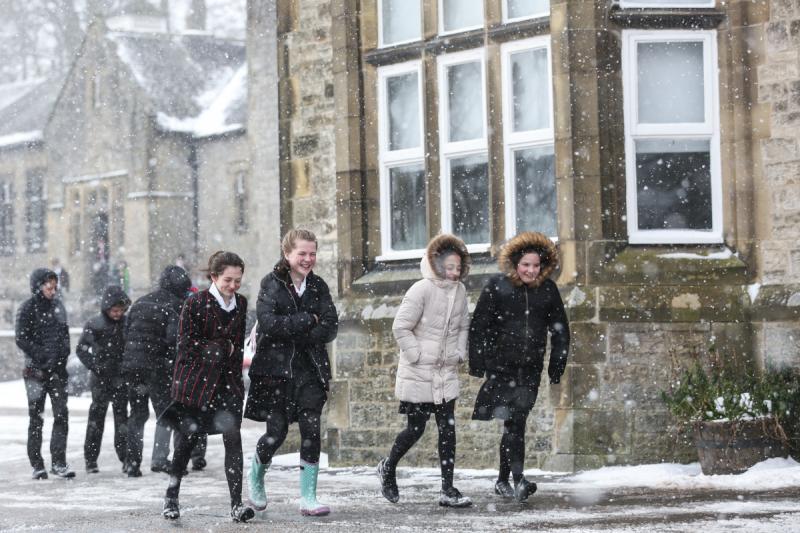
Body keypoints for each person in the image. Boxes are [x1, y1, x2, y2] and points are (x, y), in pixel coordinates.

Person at [468, 231, 570, 502]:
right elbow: (479, 326)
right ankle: (517, 479)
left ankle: (505, 480)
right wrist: (479, 363)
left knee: (516, 423)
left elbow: (560, 331)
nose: (531, 270)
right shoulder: (496, 286)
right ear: (515, 263)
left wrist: (556, 366)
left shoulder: (547, 290)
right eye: (526, 264)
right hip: (501, 369)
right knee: (512, 424)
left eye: (536, 265)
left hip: (529, 371)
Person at [245, 229, 338, 517]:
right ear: (287, 254)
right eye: (302, 253)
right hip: (276, 371)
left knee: (311, 430)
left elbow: (330, 326)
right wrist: (308, 319)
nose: (308, 259)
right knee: (276, 433)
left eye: (312, 253)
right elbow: (269, 323)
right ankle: (256, 477)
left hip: (310, 370)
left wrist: (298, 329)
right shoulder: (271, 284)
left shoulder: (318, 286)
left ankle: (308, 497)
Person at [376, 234, 472, 508]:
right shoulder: (421, 289)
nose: (454, 273)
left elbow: (463, 325)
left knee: (448, 429)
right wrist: (417, 356)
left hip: (446, 372)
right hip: (419, 373)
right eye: (449, 267)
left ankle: (447, 489)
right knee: (415, 429)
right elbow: (400, 327)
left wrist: (459, 353)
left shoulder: (460, 291)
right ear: (437, 264)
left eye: (458, 267)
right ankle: (388, 466)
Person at [160, 251, 254, 522]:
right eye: (228, 280)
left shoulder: (241, 303)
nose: (233, 286)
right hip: (197, 384)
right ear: (214, 277)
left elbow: (237, 347)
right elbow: (186, 343)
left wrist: (236, 381)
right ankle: (171, 496)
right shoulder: (195, 303)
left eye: (237, 280)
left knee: (233, 440)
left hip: (228, 384)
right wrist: (220, 347)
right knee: (187, 442)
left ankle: (236, 504)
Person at [120, 265, 206, 477]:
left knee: (137, 414)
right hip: (157, 367)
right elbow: (174, 340)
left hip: (133, 366)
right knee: (165, 413)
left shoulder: (140, 302)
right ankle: (159, 459)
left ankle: (132, 463)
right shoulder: (175, 305)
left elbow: (126, 332)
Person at [15, 268, 74, 479]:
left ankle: (58, 462)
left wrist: (62, 355)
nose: (53, 290)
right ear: (39, 286)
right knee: (36, 418)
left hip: (57, 372)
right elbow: (21, 338)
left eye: (55, 287)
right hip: (35, 373)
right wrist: (41, 356)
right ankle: (37, 464)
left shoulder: (59, 307)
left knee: (61, 415)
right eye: (49, 286)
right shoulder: (27, 308)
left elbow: (65, 335)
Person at [76, 285, 131, 474]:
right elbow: (81, 350)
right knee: (96, 420)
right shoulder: (94, 324)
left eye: (120, 310)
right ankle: (91, 460)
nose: (117, 314)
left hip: (121, 378)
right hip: (100, 379)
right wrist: (95, 366)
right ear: (107, 308)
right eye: (114, 310)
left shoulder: (127, 324)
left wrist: (127, 366)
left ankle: (125, 457)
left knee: (122, 420)